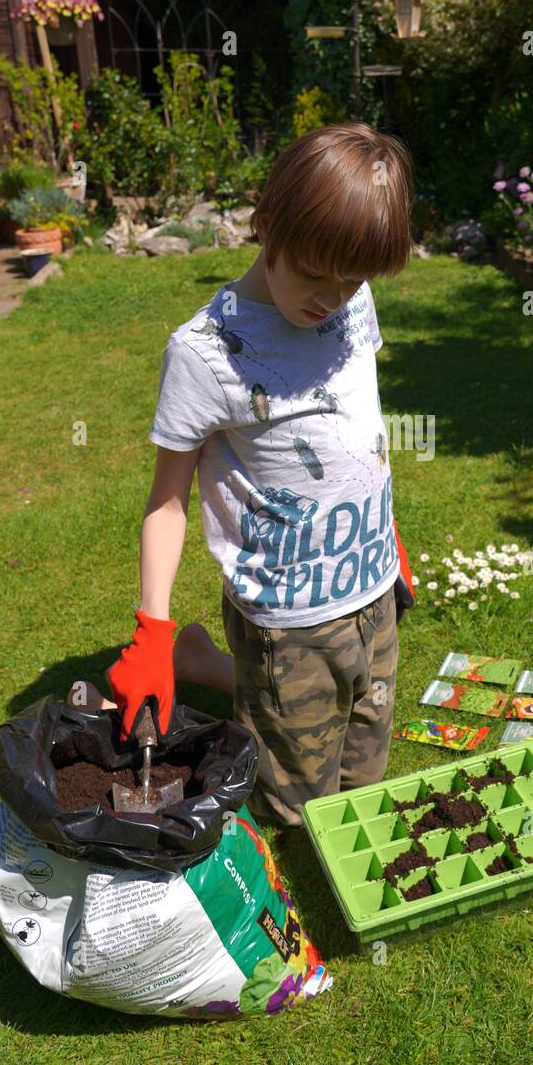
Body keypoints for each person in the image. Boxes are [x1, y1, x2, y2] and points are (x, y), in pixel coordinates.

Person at [107, 121, 415, 826]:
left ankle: (209, 665)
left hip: (371, 589)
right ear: (265, 226)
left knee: (364, 769)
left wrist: (382, 527)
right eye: (315, 274)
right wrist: (151, 630)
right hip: (290, 618)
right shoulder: (205, 354)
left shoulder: (350, 300)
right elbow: (167, 502)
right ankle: (196, 657)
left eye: (353, 278)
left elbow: (354, 423)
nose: (332, 298)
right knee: (301, 809)